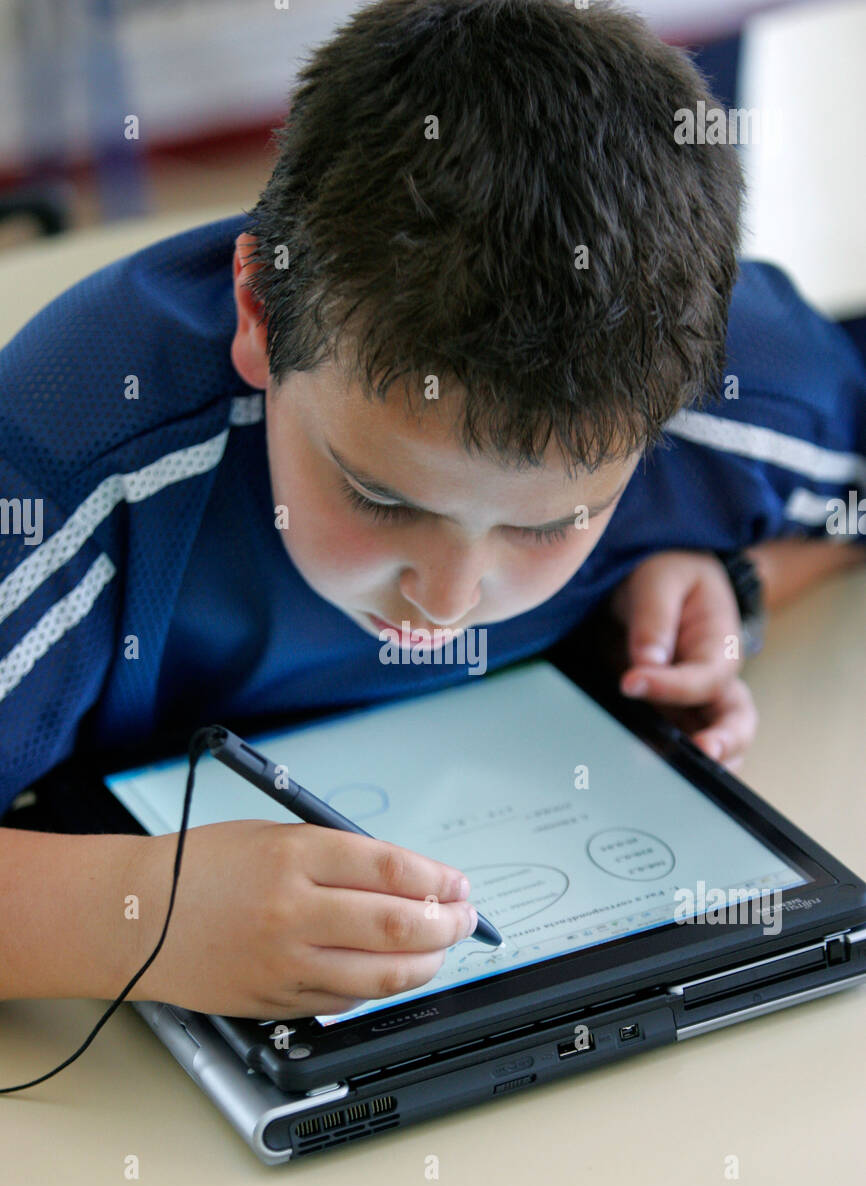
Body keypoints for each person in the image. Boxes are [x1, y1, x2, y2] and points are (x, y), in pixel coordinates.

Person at [1, 0, 863, 1019]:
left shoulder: (736, 390)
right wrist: (132, 917)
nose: (446, 598)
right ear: (256, 315)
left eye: (549, 523)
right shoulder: (69, 463)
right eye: (378, 495)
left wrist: (732, 577)